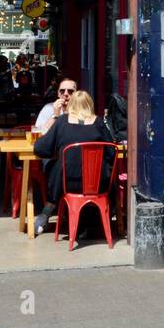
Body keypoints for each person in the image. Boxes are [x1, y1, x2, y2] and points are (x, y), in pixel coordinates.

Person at [32, 91, 115, 236]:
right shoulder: (98, 123)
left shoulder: (63, 121)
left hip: (67, 184)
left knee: (55, 166)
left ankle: (49, 208)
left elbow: (40, 149)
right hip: (97, 185)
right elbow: (111, 153)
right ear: (90, 105)